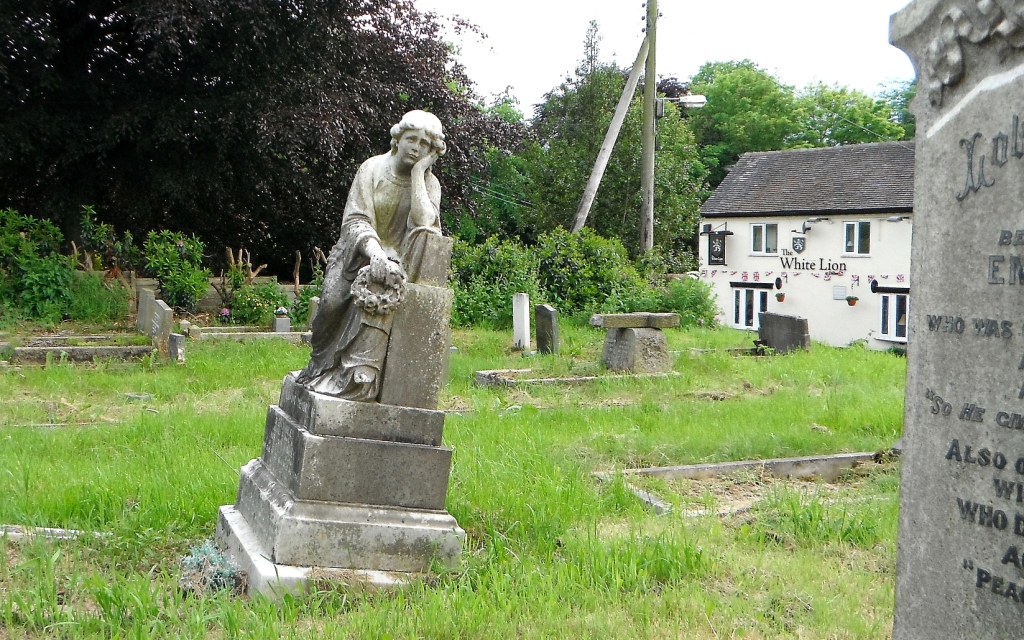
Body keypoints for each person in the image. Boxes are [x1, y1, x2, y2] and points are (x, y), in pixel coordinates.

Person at [297, 110, 446, 399]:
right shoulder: (373, 169)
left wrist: (418, 174)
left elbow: (426, 223)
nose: (416, 147)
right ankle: (322, 368)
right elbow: (355, 221)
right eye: (411, 139)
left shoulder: (430, 184)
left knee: (381, 289)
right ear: (397, 139)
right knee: (329, 309)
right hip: (355, 257)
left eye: (424, 145)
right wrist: (376, 252)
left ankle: (359, 375)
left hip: (396, 268)